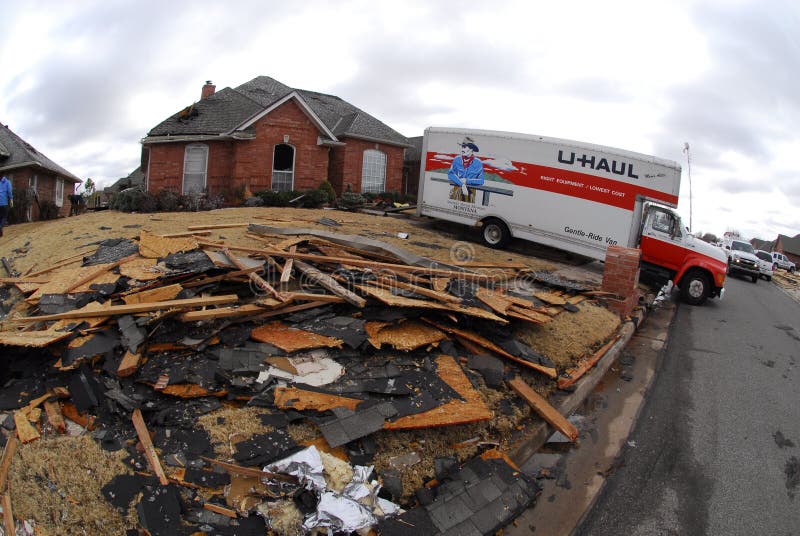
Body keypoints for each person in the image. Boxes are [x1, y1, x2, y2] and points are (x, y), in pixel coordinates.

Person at [447, 136, 484, 203]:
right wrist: (462, 184)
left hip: (470, 195)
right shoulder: (457, 159)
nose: (462, 149)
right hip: (456, 193)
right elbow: (450, 174)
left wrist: (467, 181)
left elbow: (481, 181)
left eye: (464, 147)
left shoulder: (478, 163)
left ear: (471, 149)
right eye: (462, 147)